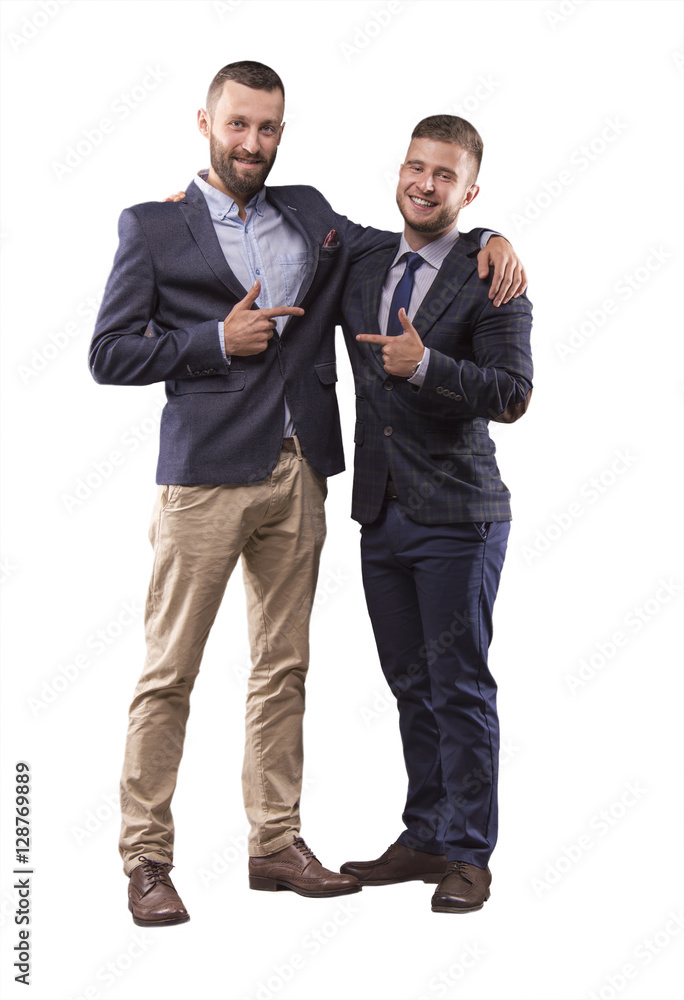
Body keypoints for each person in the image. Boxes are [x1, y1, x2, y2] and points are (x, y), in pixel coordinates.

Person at [89, 60, 526, 926]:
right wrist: (214, 339)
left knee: (282, 669)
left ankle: (275, 842)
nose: (254, 142)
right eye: (239, 125)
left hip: (302, 475)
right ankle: (146, 858)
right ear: (205, 122)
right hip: (204, 476)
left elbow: (415, 241)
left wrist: (492, 240)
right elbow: (110, 354)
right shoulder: (150, 227)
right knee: (169, 672)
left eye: (269, 128)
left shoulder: (312, 214)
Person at [338, 115, 533, 914]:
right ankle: (425, 835)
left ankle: (469, 855)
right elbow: (286, 204)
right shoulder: (364, 256)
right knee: (410, 683)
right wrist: (189, 198)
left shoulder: (493, 277)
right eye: (416, 167)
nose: (424, 183)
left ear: (470, 190)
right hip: (381, 512)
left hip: (459, 515)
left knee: (458, 687)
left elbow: (513, 394)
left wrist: (427, 367)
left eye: (444, 175)